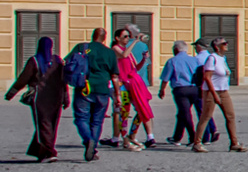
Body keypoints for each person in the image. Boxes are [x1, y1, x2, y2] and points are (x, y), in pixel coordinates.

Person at [5, 36, 66, 162]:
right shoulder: (57, 60)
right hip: (56, 97)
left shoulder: (35, 61)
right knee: (51, 124)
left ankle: (49, 152)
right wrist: (65, 98)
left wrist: (11, 93)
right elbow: (63, 81)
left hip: (40, 98)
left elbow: (23, 78)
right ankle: (40, 151)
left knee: (43, 124)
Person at [69, 28, 117, 162]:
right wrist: (117, 96)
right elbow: (115, 76)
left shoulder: (82, 47)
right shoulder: (109, 52)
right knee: (97, 121)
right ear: (104, 38)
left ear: (92, 36)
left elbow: (67, 62)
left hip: (84, 88)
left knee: (81, 118)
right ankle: (93, 148)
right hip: (102, 89)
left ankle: (88, 140)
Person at [191, 37, 245, 153]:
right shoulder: (212, 58)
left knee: (230, 116)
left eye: (226, 42)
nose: (227, 45)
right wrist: (214, 94)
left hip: (224, 90)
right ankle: (197, 143)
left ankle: (234, 143)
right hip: (211, 91)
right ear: (217, 46)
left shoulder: (222, 58)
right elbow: (207, 77)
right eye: (224, 43)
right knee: (206, 116)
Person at [114, 42, 155, 151]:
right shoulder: (116, 49)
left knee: (141, 109)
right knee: (124, 112)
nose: (127, 39)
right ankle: (125, 139)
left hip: (132, 82)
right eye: (125, 37)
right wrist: (135, 41)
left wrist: (143, 59)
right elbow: (123, 55)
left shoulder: (128, 52)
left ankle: (132, 134)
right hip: (122, 84)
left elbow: (135, 68)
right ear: (118, 38)